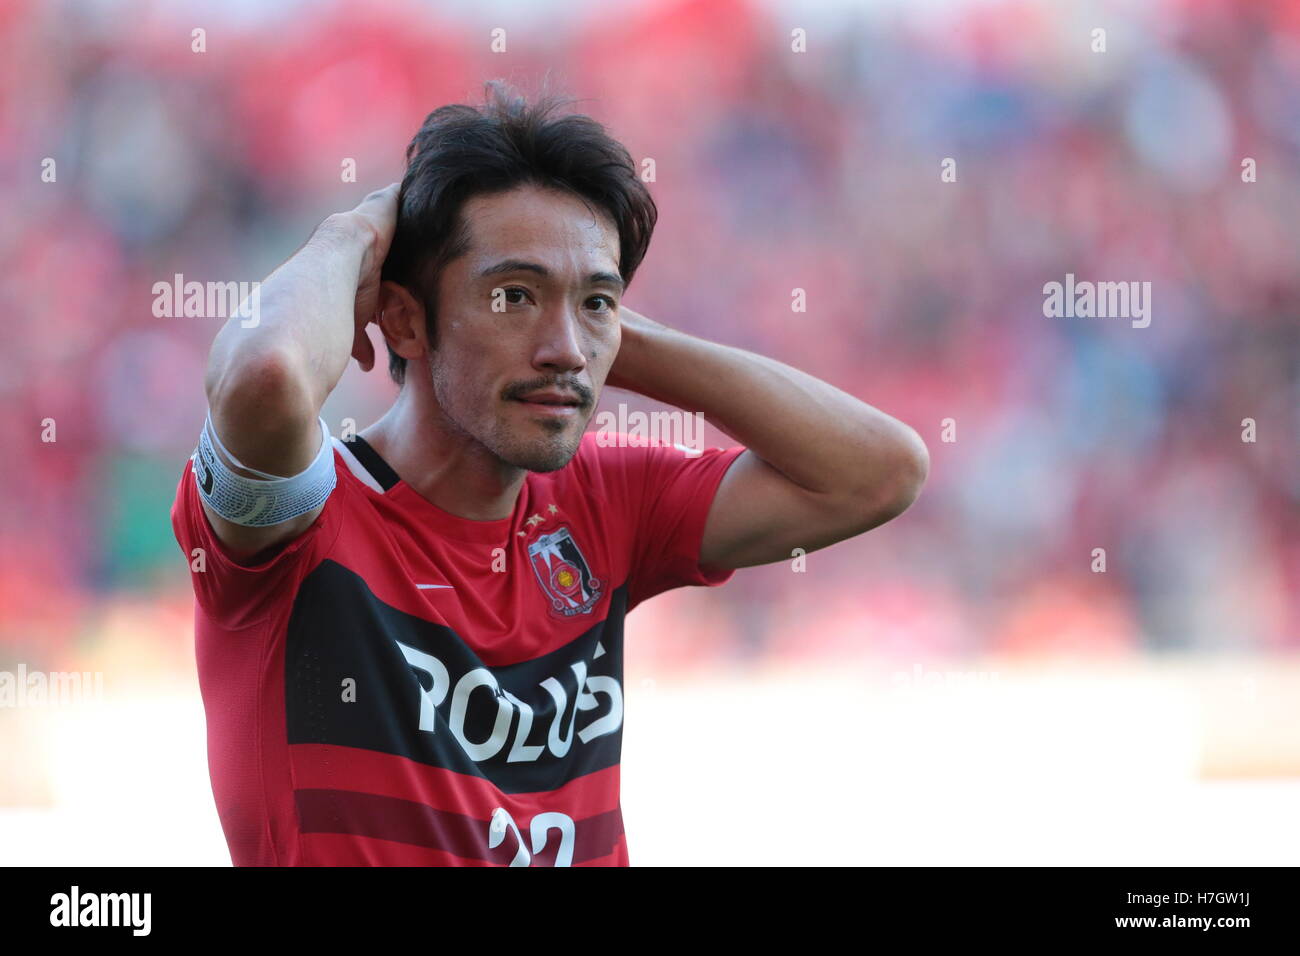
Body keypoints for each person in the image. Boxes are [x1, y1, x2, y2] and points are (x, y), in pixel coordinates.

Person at [171, 80, 929, 866]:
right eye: (512, 295)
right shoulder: (300, 523)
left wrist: (586, 324)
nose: (565, 346)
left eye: (599, 303)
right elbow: (265, 376)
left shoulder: (606, 501)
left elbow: (880, 471)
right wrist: (352, 236)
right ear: (403, 317)